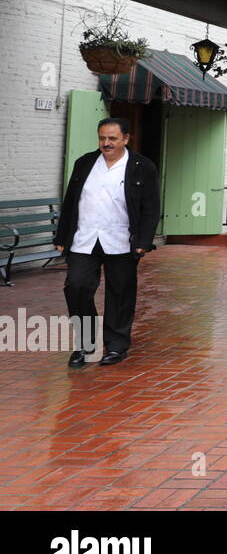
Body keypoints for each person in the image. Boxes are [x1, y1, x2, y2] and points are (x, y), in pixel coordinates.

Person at [54, 118, 160, 368]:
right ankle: (85, 344)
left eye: (112, 138)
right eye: (102, 138)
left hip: (122, 240)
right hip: (85, 238)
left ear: (125, 139)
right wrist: (62, 237)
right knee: (76, 286)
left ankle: (116, 346)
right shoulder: (85, 163)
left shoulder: (142, 166)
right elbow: (71, 201)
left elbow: (151, 207)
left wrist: (144, 240)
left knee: (121, 293)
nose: (106, 143)